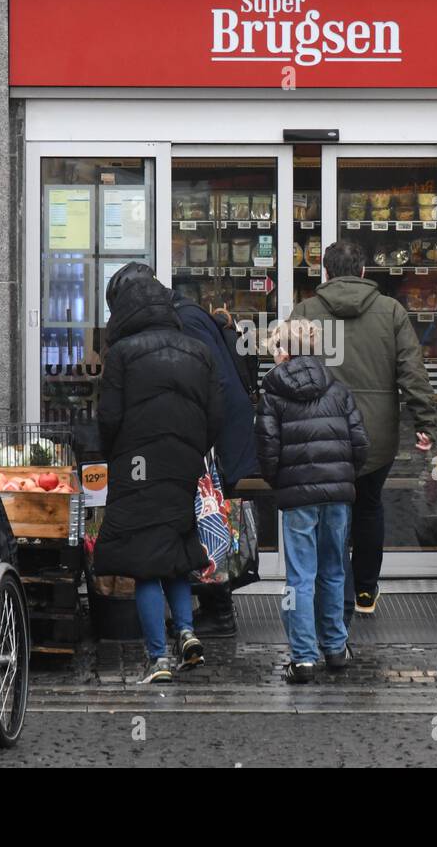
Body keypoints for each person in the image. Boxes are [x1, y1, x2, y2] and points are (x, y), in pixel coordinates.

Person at [105, 265, 258, 639]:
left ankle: (219, 612)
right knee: (199, 523)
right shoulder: (187, 312)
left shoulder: (181, 324)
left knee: (204, 524)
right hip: (218, 436)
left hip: (215, 441)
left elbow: (206, 388)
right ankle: (207, 612)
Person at [289, 240, 437, 617]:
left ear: (324, 273)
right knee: (369, 507)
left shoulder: (305, 311)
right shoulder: (391, 311)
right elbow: (412, 370)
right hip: (375, 433)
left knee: (329, 509)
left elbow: (287, 368)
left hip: (319, 430)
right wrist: (425, 421)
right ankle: (366, 592)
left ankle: (336, 594)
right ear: (364, 272)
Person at [93, 266, 224, 684]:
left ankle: (157, 659)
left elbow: (109, 418)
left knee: (144, 559)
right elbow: (216, 413)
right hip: (183, 460)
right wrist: (193, 449)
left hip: (137, 464)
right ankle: (186, 633)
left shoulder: (122, 354)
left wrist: (118, 457)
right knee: (177, 548)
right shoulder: (197, 349)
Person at [255, 320, 368, 683]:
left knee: (300, 577)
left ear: (283, 352)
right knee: (334, 570)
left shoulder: (272, 394)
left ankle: (303, 657)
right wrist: (342, 478)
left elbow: (267, 451)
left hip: (297, 496)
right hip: (337, 495)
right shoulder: (337, 388)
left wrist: (282, 482)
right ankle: (335, 647)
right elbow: (359, 444)